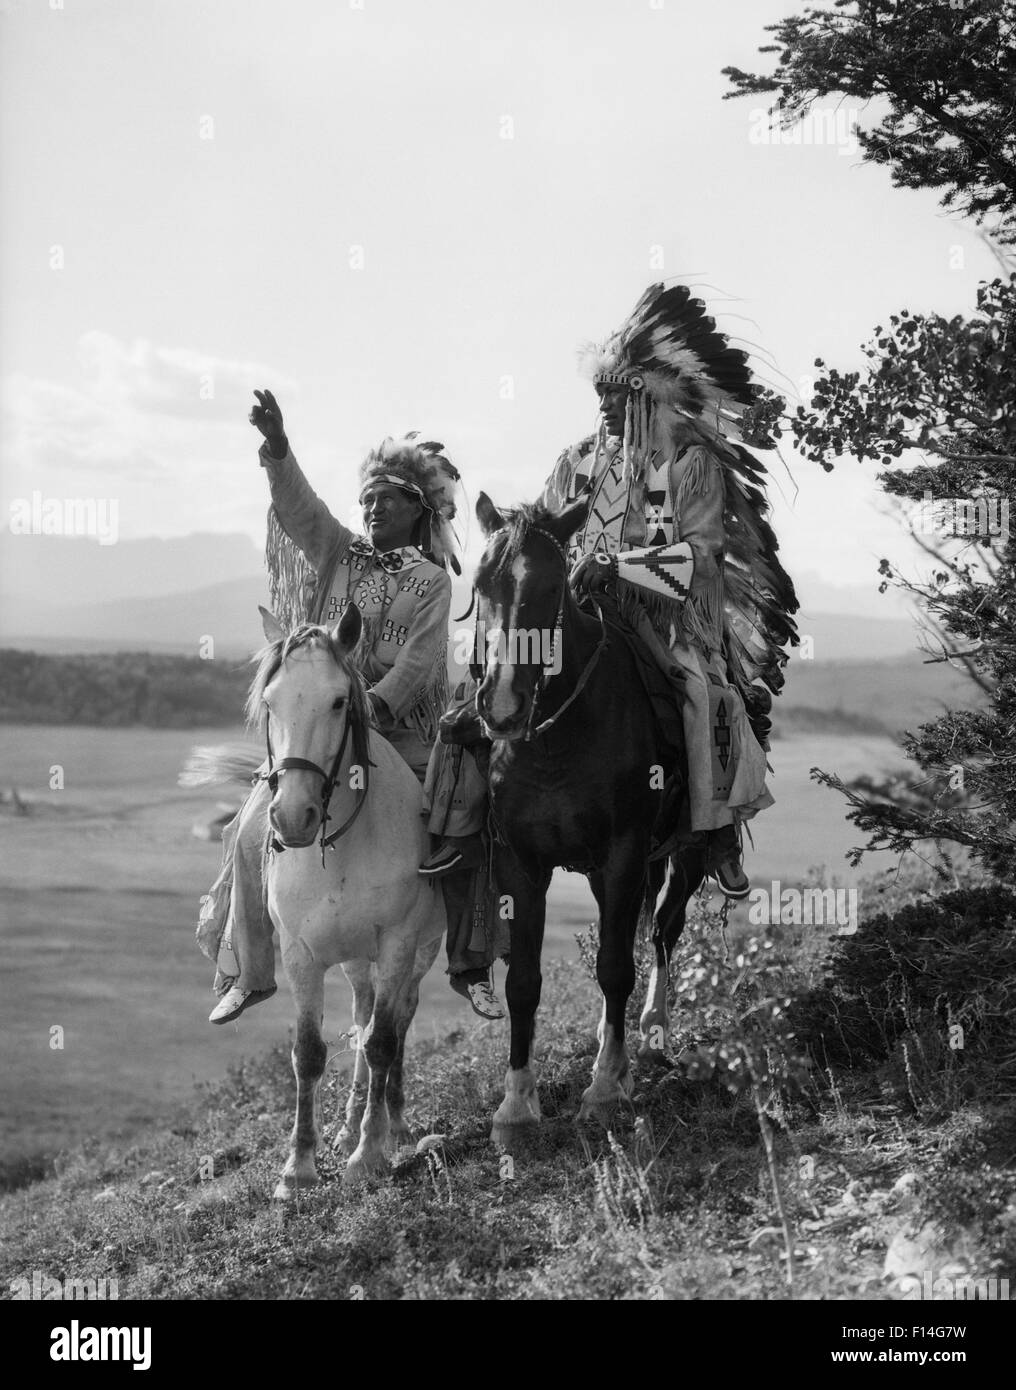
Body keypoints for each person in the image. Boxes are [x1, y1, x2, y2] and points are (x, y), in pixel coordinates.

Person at [426, 283, 798, 895]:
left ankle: (716, 833)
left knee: (708, 696)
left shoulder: (687, 465)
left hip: (665, 620)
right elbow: (540, 531)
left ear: (650, 397)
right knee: (487, 685)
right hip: (565, 612)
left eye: (619, 396)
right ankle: (463, 824)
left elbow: (702, 558)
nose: (605, 408)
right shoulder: (575, 462)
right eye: (600, 396)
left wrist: (619, 567)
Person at [196, 389, 504, 1024]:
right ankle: (251, 972)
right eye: (365, 500)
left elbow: (418, 666)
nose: (370, 510)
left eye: (384, 500)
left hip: (402, 729)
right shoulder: (339, 551)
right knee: (251, 828)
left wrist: (366, 709)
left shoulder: (432, 582)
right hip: (317, 727)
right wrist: (279, 451)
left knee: (468, 812)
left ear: (417, 509)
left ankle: (471, 962)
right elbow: (299, 511)